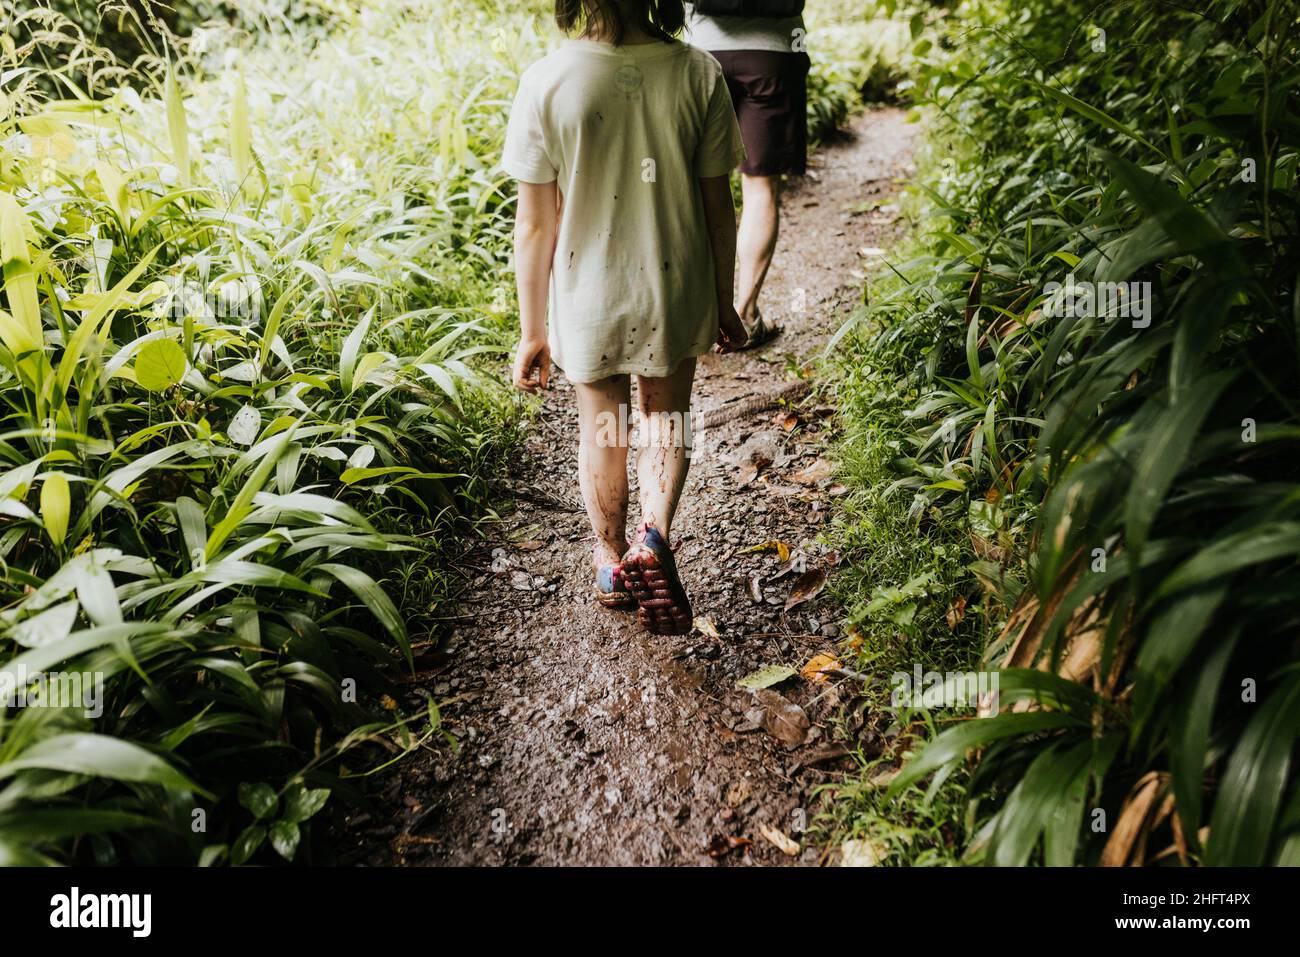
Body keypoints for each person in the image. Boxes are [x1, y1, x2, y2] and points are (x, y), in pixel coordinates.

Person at [501, 0, 749, 635]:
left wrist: (533, 330)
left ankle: (612, 562)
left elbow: (534, 226)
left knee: (602, 429)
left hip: (587, 294)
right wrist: (727, 302)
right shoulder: (698, 72)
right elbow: (719, 208)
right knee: (666, 419)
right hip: (674, 284)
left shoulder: (547, 79)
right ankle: (655, 538)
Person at [683, 0, 809, 345]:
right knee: (761, 187)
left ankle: (695, 316)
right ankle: (744, 314)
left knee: (694, 186)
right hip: (775, 54)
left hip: (701, 54)